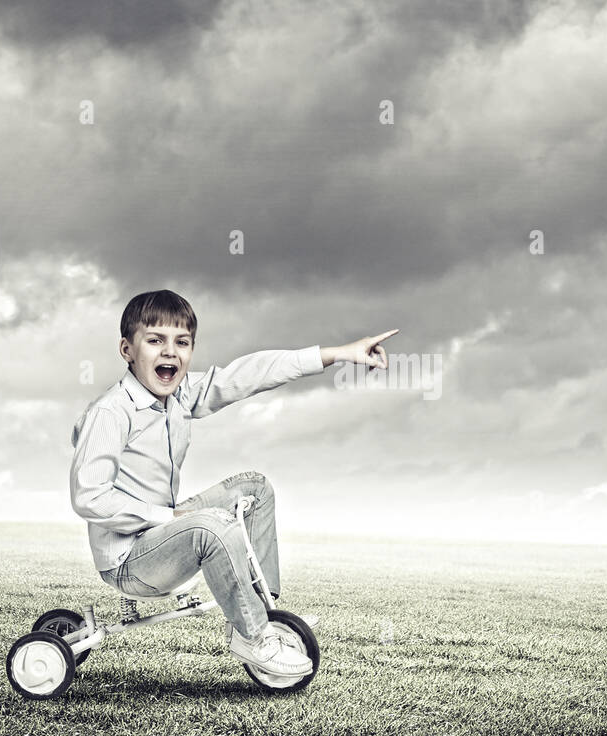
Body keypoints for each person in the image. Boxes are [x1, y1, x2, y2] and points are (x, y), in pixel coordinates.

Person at [70, 288, 397, 680]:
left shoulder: (179, 395)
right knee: (212, 524)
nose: (170, 353)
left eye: (182, 342)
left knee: (253, 489)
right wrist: (168, 516)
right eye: (155, 340)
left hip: (163, 534)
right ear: (127, 349)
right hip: (129, 561)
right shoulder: (112, 412)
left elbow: (249, 374)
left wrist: (340, 353)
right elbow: (89, 496)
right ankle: (253, 637)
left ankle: (261, 613)